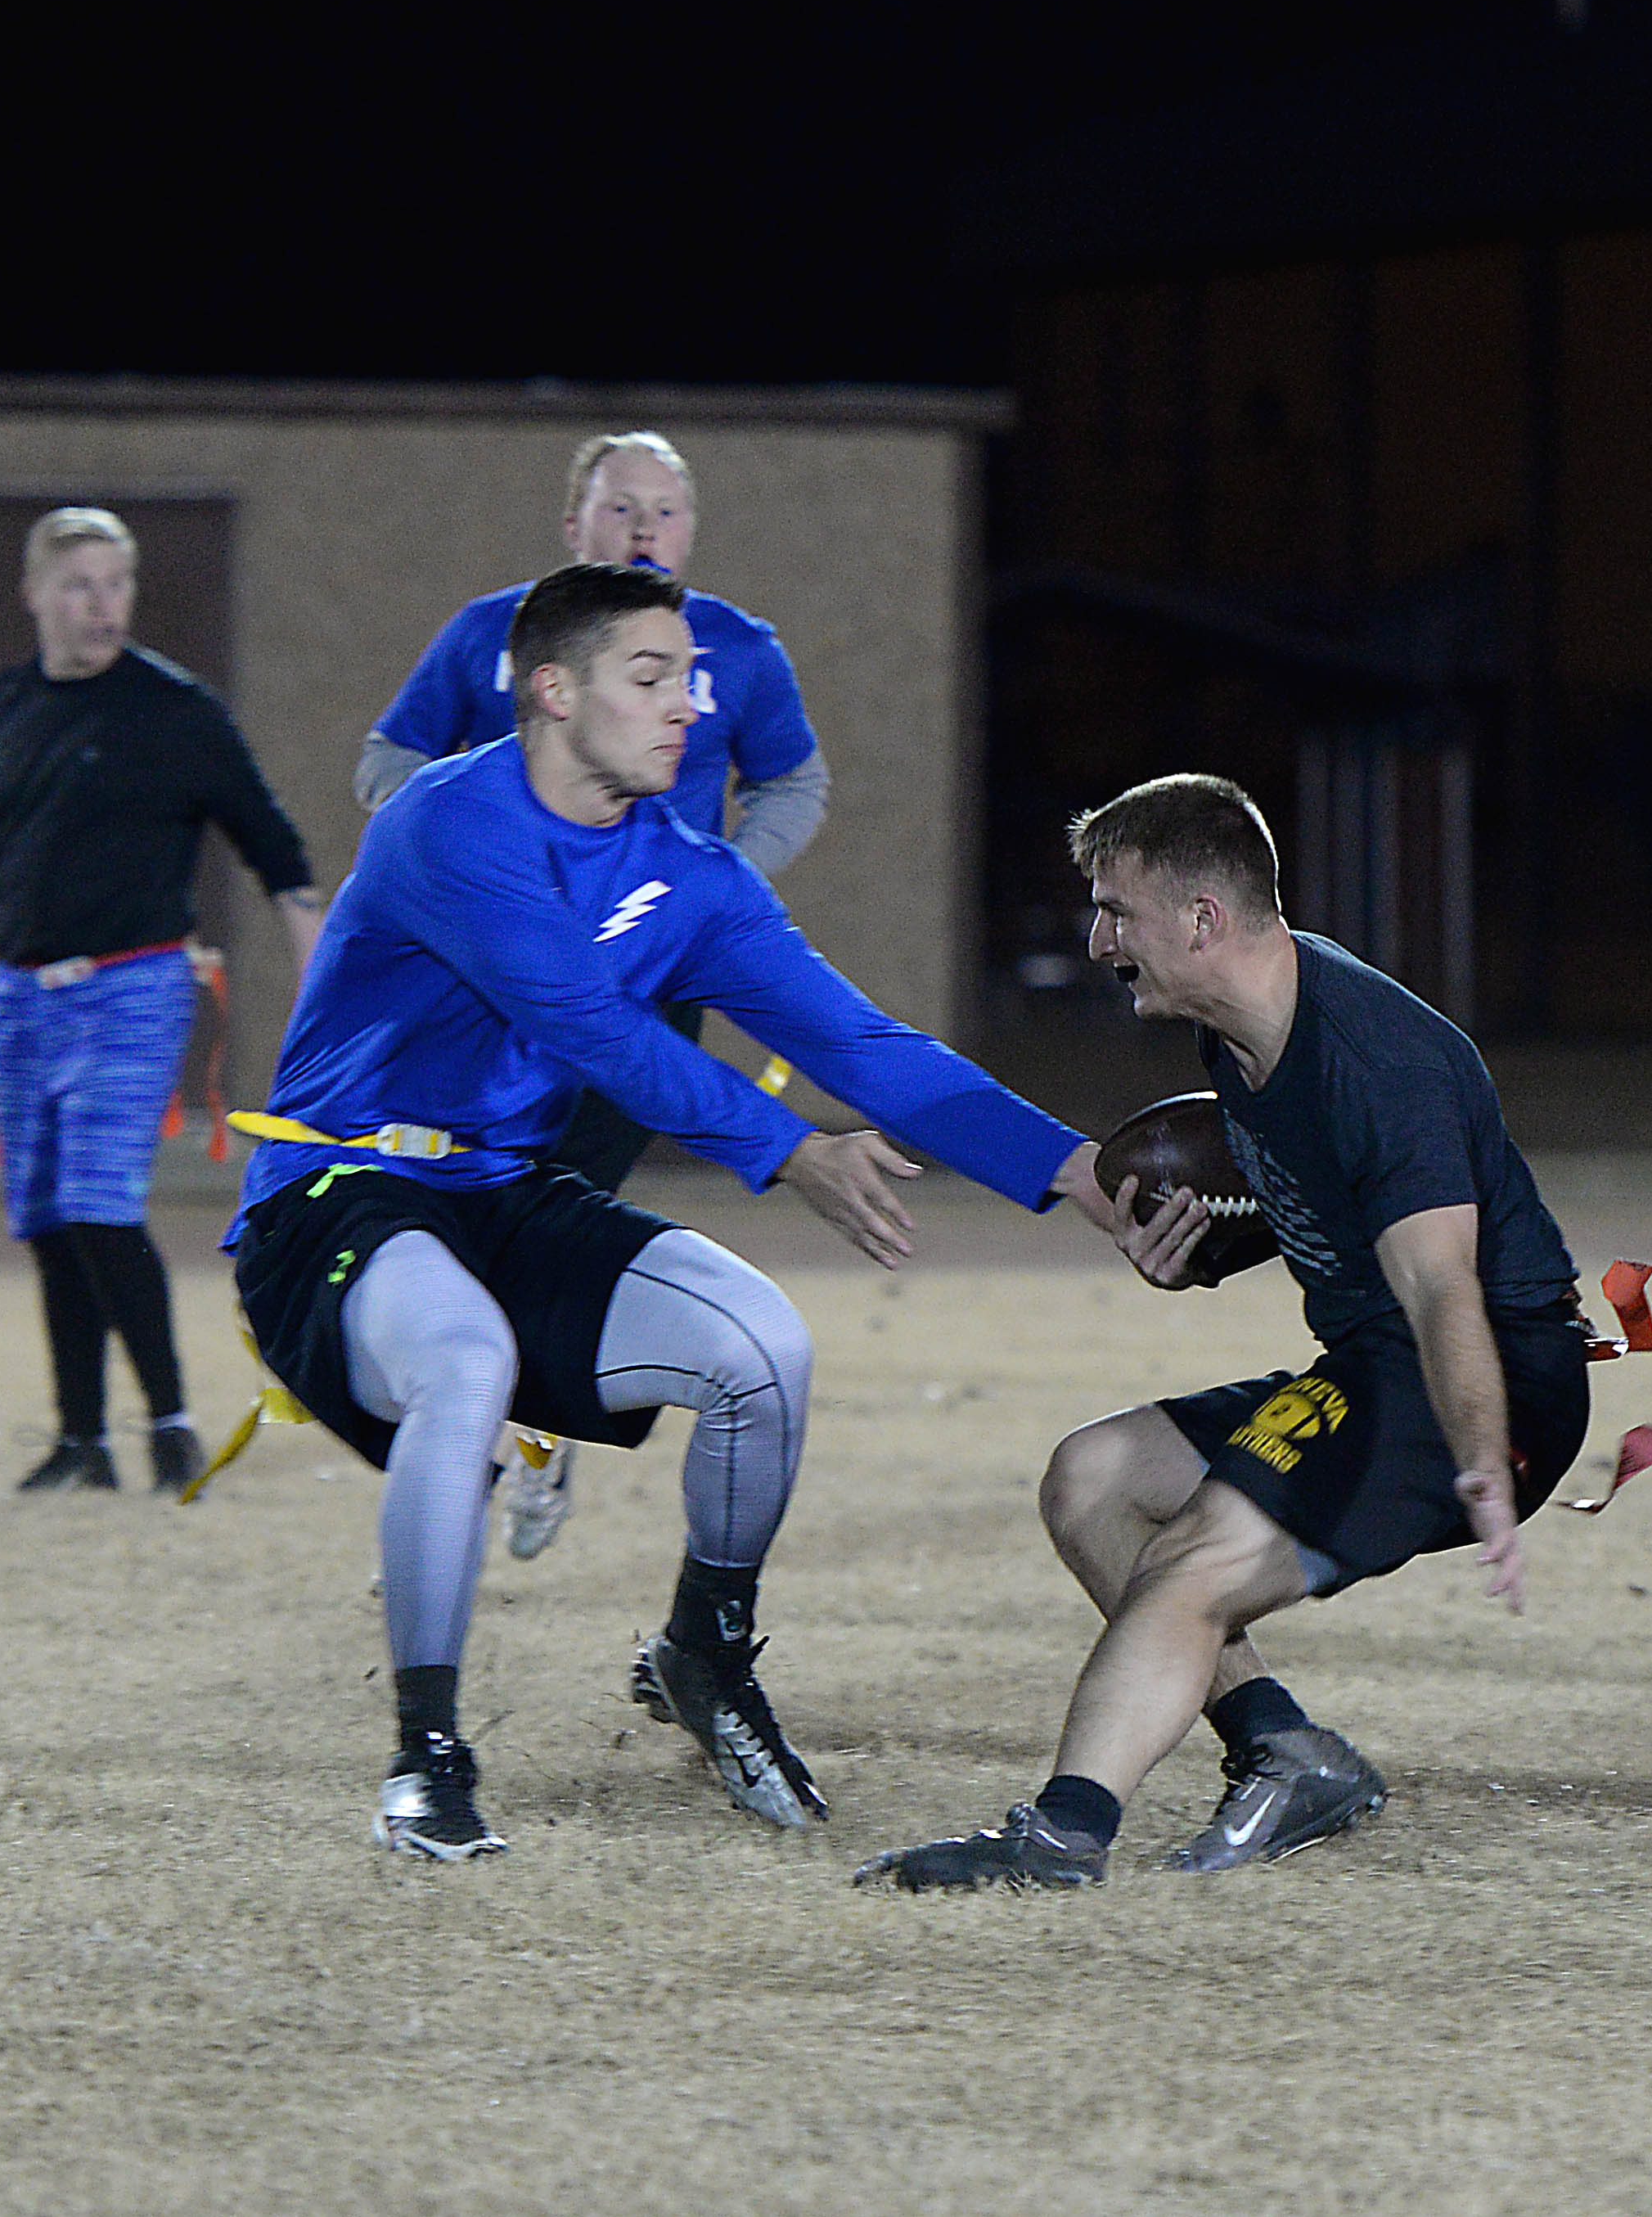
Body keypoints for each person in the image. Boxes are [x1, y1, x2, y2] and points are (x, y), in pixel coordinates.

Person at [226, 561, 1111, 1859]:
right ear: (549, 690)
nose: (688, 705)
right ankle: (427, 1759)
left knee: (765, 1352)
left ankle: (703, 1653)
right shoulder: (447, 822)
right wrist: (786, 1149)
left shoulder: (687, 872)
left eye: (690, 679)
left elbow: (862, 1043)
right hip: (336, 1189)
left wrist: (1076, 1171)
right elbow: (582, 1023)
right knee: (466, 1361)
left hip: (501, 1190)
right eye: (648, 677)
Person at [854, 773, 1594, 1891]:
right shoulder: (1241, 1030)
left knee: (1198, 1560)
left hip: (1485, 1368)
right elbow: (1317, 1203)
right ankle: (1287, 1754)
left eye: (1118, 913)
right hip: (1380, 1357)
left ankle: (1061, 1840)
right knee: (1093, 1478)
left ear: (1202, 921)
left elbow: (1443, 1286)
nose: (1101, 940)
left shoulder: (1374, 1061)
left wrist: (1482, 1458)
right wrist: (1204, 1251)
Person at [359, 430, 829, 1555]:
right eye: (620, 511)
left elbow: (797, 780)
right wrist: (462, 869)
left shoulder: (738, 650)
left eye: (664, 513)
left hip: (635, 994)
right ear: (574, 526)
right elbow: (387, 760)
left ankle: (521, 1426)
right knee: (460, 1202)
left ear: (692, 532)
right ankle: (480, 1432)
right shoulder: (493, 636)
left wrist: (716, 886)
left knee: (551, 1205)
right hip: (485, 997)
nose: (642, 532)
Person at [0, 507, 325, 1496]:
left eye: (116, 584)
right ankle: (81, 1439)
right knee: (48, 1217)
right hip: (21, 995)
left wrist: (324, 980)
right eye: (79, 584)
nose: (101, 605)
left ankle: (172, 1423)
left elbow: (275, 849)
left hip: (134, 986)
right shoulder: (5, 705)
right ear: (35, 593)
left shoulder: (177, 711)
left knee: (100, 1205)